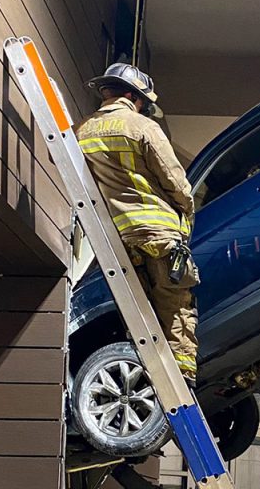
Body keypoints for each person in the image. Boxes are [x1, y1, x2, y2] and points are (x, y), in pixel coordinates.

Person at [76, 62, 200, 382]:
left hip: (118, 240)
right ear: (135, 97)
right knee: (176, 307)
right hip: (159, 234)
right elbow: (175, 180)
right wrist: (187, 213)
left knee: (140, 316)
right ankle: (182, 381)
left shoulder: (81, 132)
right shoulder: (143, 127)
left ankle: (144, 381)